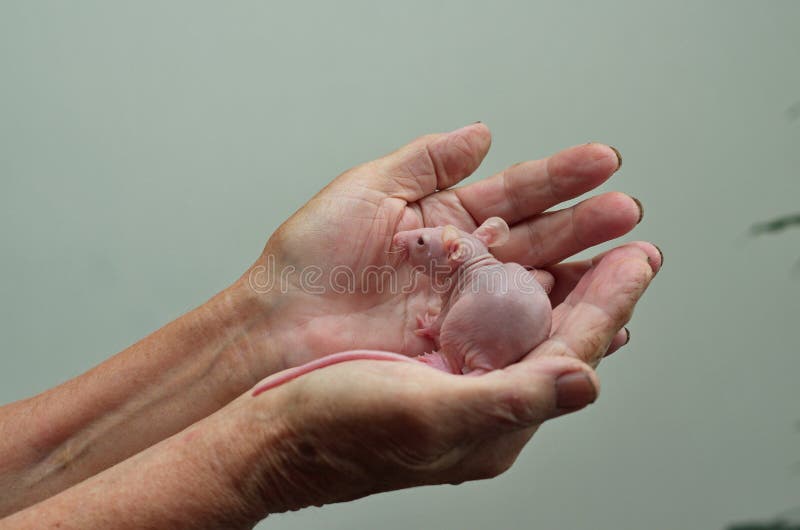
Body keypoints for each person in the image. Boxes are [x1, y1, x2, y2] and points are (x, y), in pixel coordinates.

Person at [0, 123, 661, 529]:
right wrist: (265, 453)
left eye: (428, 246)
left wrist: (260, 334)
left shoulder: (463, 267)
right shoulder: (466, 263)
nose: (414, 247)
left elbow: (40, 464)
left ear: (456, 249)